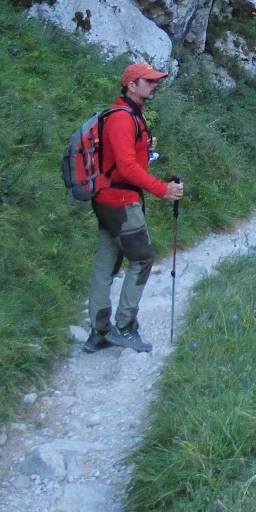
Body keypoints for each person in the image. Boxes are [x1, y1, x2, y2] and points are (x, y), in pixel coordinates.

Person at [83, 61, 184, 354]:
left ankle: (99, 332)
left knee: (107, 264)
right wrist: (162, 189)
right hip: (122, 202)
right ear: (131, 85)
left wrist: (145, 145)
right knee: (142, 259)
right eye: (148, 81)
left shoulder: (125, 115)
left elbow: (123, 156)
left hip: (106, 200)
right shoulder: (123, 118)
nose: (154, 85)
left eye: (155, 81)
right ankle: (125, 327)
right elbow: (126, 168)